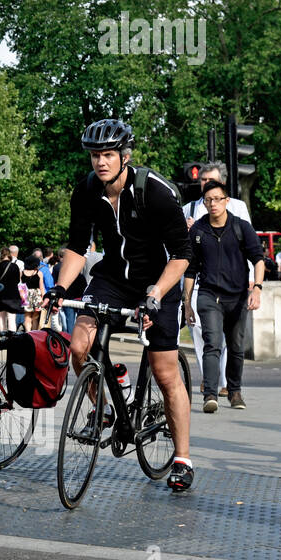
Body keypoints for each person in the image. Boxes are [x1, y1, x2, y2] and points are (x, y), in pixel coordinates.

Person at [46, 119, 194, 491]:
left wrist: (156, 294)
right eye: (96, 155)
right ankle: (107, 406)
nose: (101, 162)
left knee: (165, 373)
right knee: (78, 346)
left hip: (159, 280)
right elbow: (78, 248)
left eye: (108, 155)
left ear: (124, 157)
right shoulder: (85, 192)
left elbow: (182, 254)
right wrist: (60, 288)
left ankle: (183, 458)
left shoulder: (154, 191)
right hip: (113, 278)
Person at [183, 179, 265, 413]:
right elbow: (190, 269)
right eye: (208, 200)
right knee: (212, 344)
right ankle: (210, 394)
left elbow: (258, 259)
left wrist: (257, 288)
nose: (213, 204)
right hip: (208, 295)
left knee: (236, 346)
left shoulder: (241, 227)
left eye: (217, 199)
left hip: (237, 296)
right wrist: (187, 303)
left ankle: (234, 391)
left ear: (227, 201)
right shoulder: (198, 230)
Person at [0, 247, 22, 331]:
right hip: (12, 295)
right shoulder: (15, 266)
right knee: (12, 318)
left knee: (1, 317)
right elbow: (17, 280)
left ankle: (2, 336)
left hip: (0, 294)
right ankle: (11, 338)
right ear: (10, 255)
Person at [21, 254, 45, 330]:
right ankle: (34, 335)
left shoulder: (21, 273)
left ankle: (27, 333)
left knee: (27, 317)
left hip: (25, 295)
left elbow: (21, 286)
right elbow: (41, 287)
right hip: (37, 296)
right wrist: (44, 298)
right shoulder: (39, 273)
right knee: (35, 317)